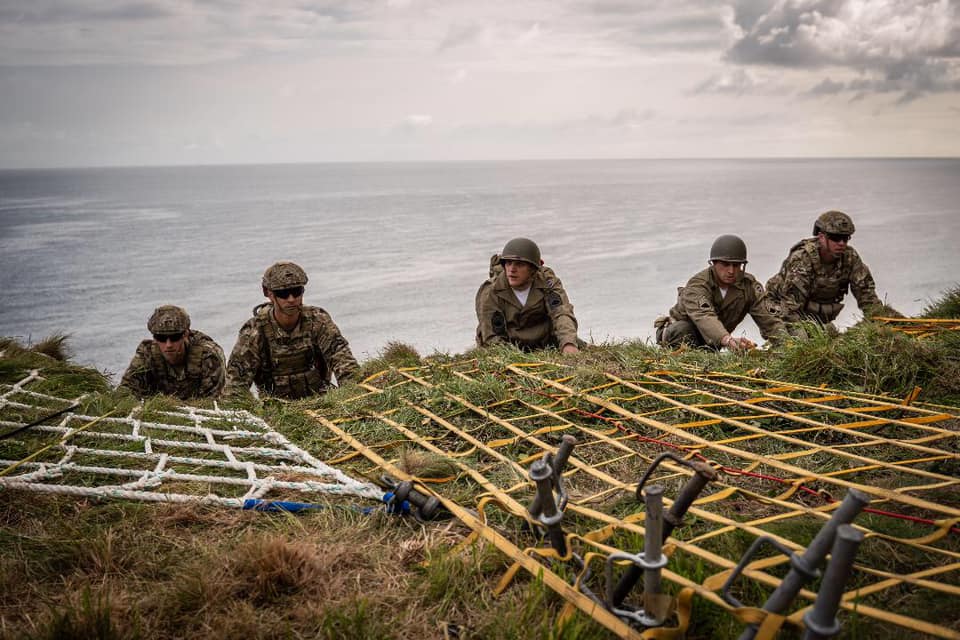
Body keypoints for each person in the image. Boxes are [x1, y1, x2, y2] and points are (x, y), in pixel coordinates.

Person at [223, 261, 359, 400]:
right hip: (276, 409)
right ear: (268, 293)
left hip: (323, 401)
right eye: (283, 293)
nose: (291, 299)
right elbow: (235, 387)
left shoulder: (318, 320)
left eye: (296, 292)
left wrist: (352, 397)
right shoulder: (254, 332)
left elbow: (343, 361)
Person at [765, 210, 900, 330]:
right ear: (821, 237)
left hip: (813, 316)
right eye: (836, 238)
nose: (841, 243)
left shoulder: (850, 258)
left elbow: (868, 298)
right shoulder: (802, 260)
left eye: (845, 238)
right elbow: (789, 308)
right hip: (779, 311)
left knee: (828, 333)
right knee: (807, 337)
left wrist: (882, 320)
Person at [655, 235, 785, 351]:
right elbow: (704, 317)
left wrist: (787, 346)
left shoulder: (749, 286)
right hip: (678, 336)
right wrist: (728, 341)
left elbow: (769, 320)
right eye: (725, 264)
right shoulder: (698, 285)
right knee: (683, 330)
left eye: (736, 265)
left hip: (712, 343)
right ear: (714, 263)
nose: (731, 271)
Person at [475, 237, 580, 353]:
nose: (512, 270)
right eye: (508, 263)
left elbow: (561, 313)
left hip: (545, 342)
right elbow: (492, 336)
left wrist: (568, 343)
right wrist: (515, 358)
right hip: (509, 346)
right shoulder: (491, 291)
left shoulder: (546, 281)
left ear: (533, 269)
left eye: (519, 264)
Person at [119, 305, 225, 399]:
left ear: (185, 334)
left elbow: (212, 401)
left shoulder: (208, 355)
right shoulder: (147, 354)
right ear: (154, 338)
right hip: (157, 411)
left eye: (175, 337)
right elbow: (126, 391)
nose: (168, 345)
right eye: (161, 338)